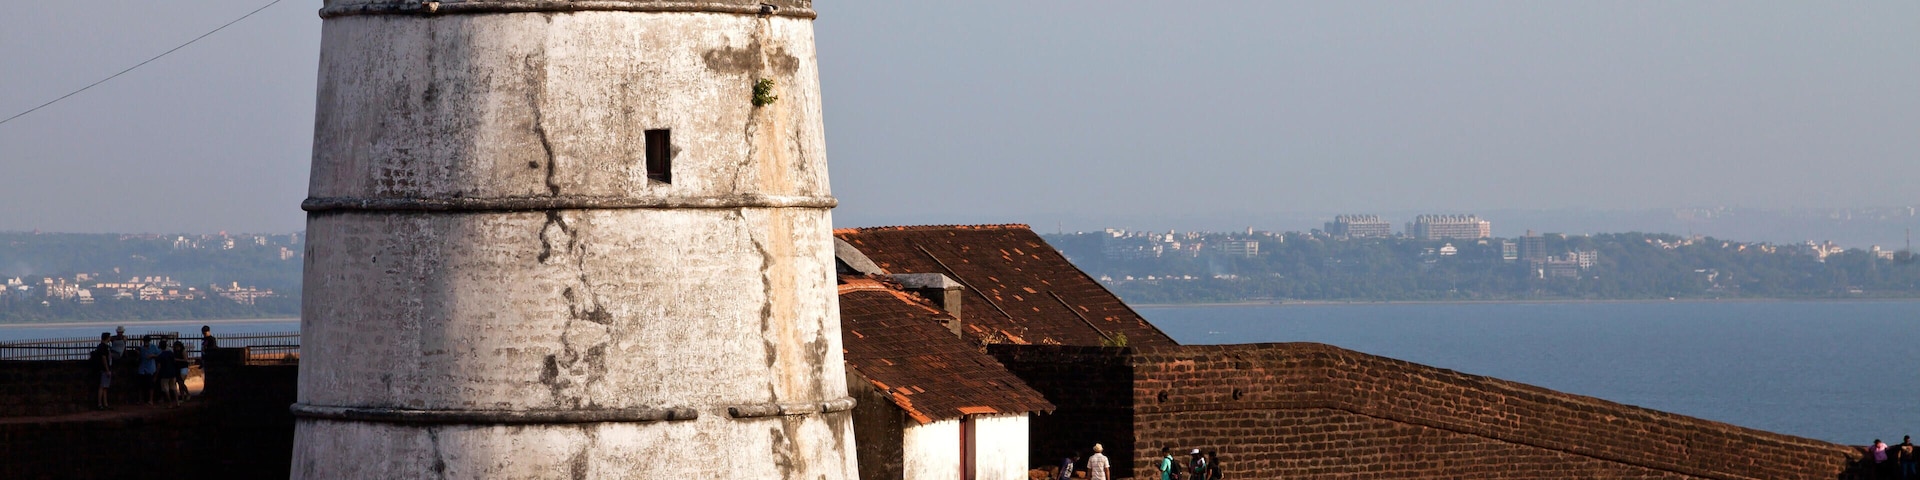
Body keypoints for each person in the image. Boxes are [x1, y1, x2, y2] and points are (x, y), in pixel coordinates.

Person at [90, 332, 114, 410]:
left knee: (105, 387)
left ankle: (105, 403)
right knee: (102, 386)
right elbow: (104, 359)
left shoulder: (103, 346)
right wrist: (107, 369)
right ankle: (100, 404)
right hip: (104, 369)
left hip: (104, 369)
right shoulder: (103, 347)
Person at [155, 341, 179, 407]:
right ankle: (177, 402)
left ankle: (170, 403)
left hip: (165, 374)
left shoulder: (160, 355)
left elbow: (159, 366)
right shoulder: (171, 353)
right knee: (173, 387)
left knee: (166, 389)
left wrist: (156, 375)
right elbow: (174, 362)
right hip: (172, 372)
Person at [138, 336, 160, 405]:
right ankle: (141, 400)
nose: (146, 343)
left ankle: (151, 400)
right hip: (142, 369)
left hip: (150, 368)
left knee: (150, 386)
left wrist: (153, 356)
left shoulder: (153, 347)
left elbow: (159, 355)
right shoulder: (141, 348)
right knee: (141, 386)